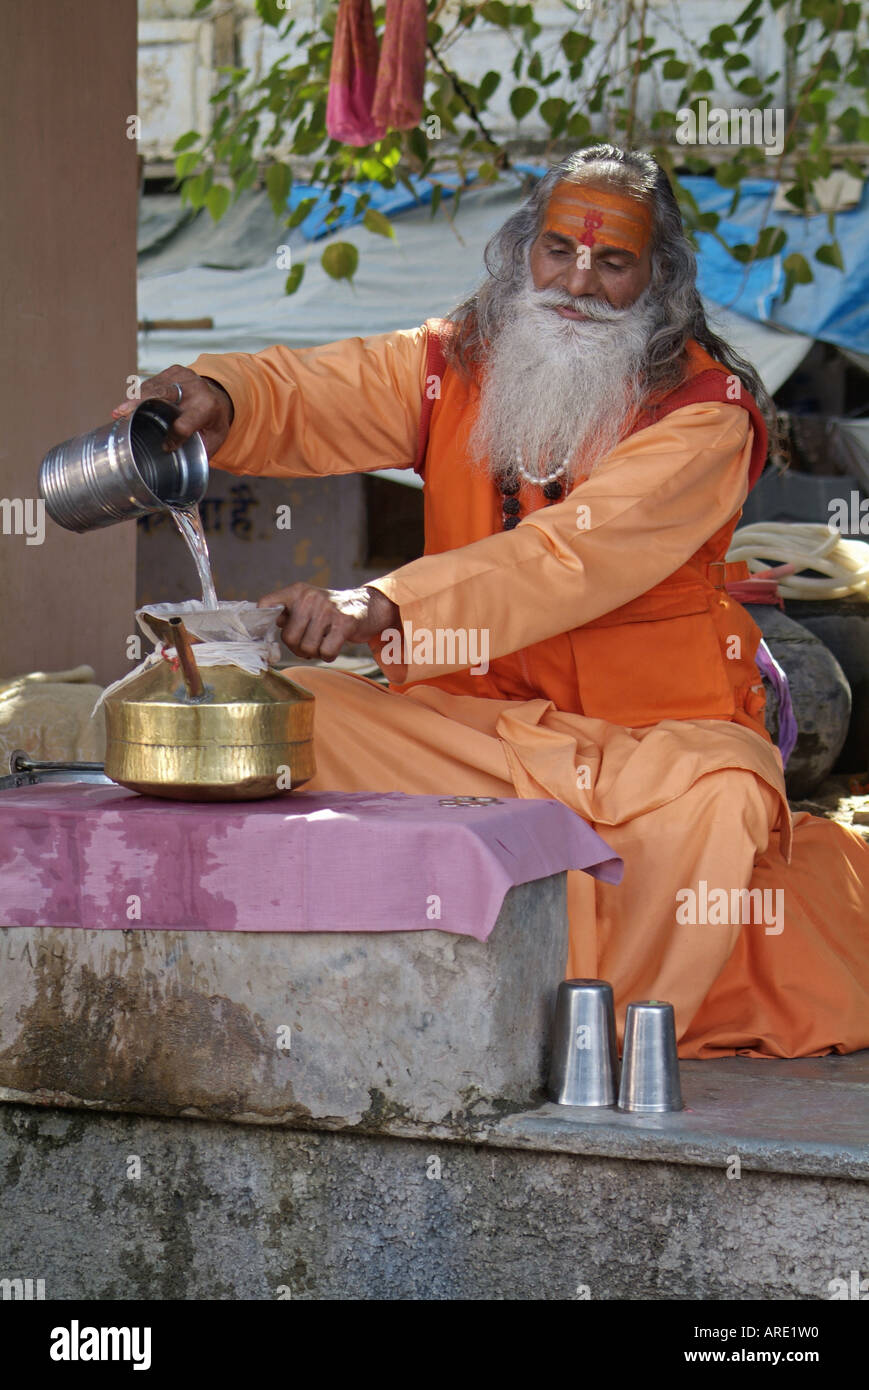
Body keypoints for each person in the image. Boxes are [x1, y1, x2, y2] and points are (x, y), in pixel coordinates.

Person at [113, 144, 869, 1059]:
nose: (577, 282)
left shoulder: (706, 414)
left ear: (659, 279)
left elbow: (564, 557)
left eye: (613, 262)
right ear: (522, 253)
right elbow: (319, 390)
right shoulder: (450, 365)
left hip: (650, 746)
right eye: (558, 250)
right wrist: (225, 396)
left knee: (713, 805)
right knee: (277, 723)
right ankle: (347, 1000)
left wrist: (383, 608)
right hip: (470, 730)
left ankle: (590, 1036)